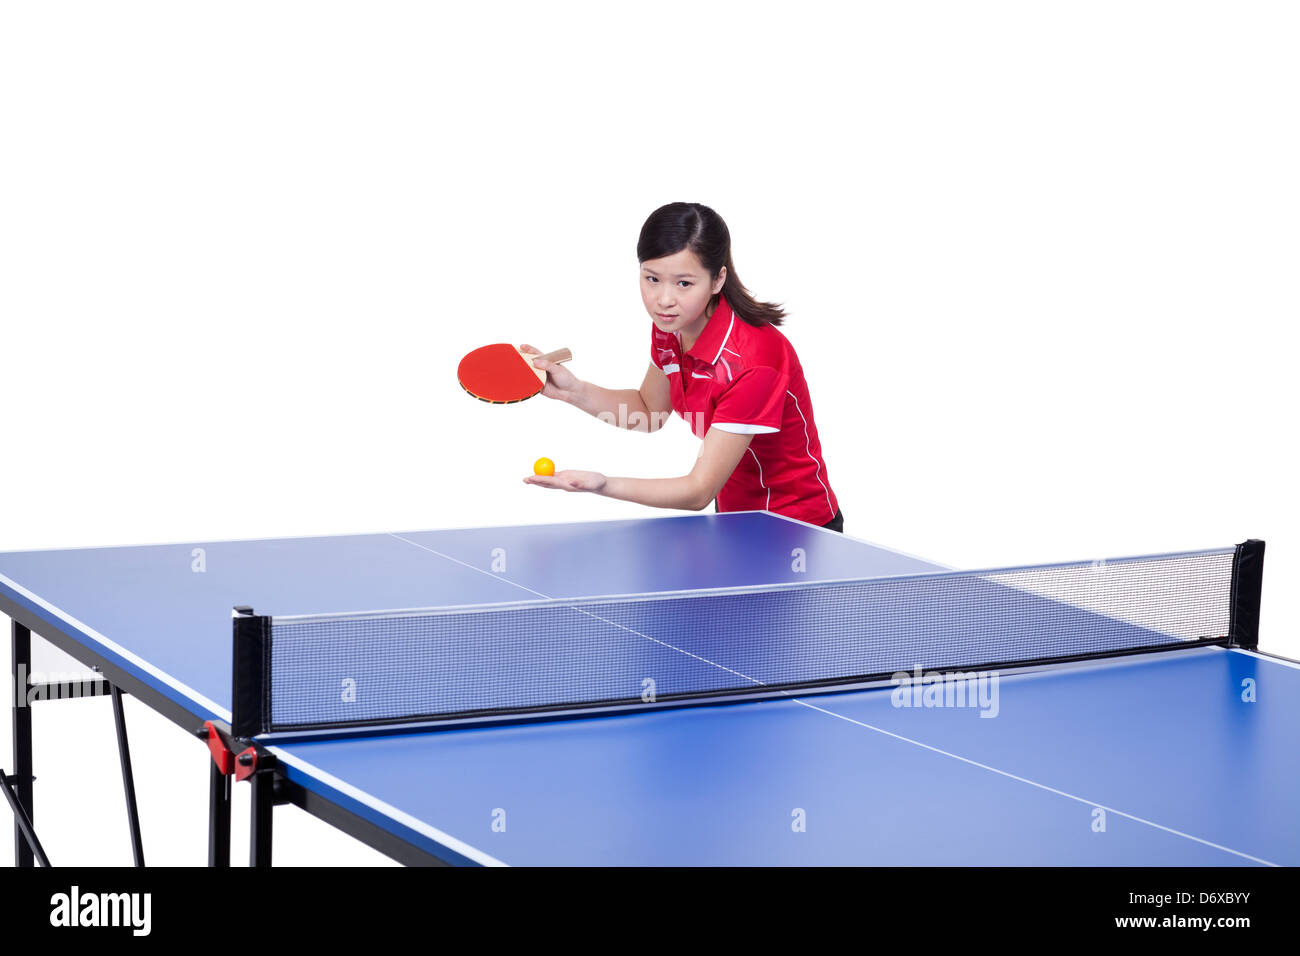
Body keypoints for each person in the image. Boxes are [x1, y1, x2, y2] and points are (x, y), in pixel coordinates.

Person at [523, 201, 843, 531]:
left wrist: (602, 484)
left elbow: (698, 491)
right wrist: (574, 392)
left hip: (796, 527)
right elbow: (649, 411)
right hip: (737, 519)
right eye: (652, 278)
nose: (663, 299)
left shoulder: (753, 362)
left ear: (718, 279)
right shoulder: (670, 329)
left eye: (683, 283)